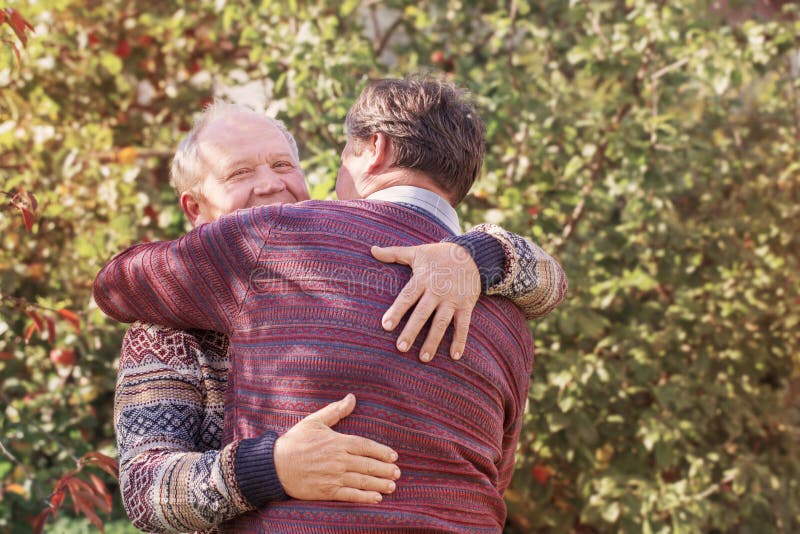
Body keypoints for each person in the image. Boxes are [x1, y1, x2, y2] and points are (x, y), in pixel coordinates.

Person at [98, 78, 567, 532]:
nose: (269, 185)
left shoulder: (313, 246)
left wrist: (477, 255)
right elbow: (147, 492)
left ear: (372, 150)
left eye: (283, 166)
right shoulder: (167, 330)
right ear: (195, 210)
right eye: (240, 173)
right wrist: (270, 466)